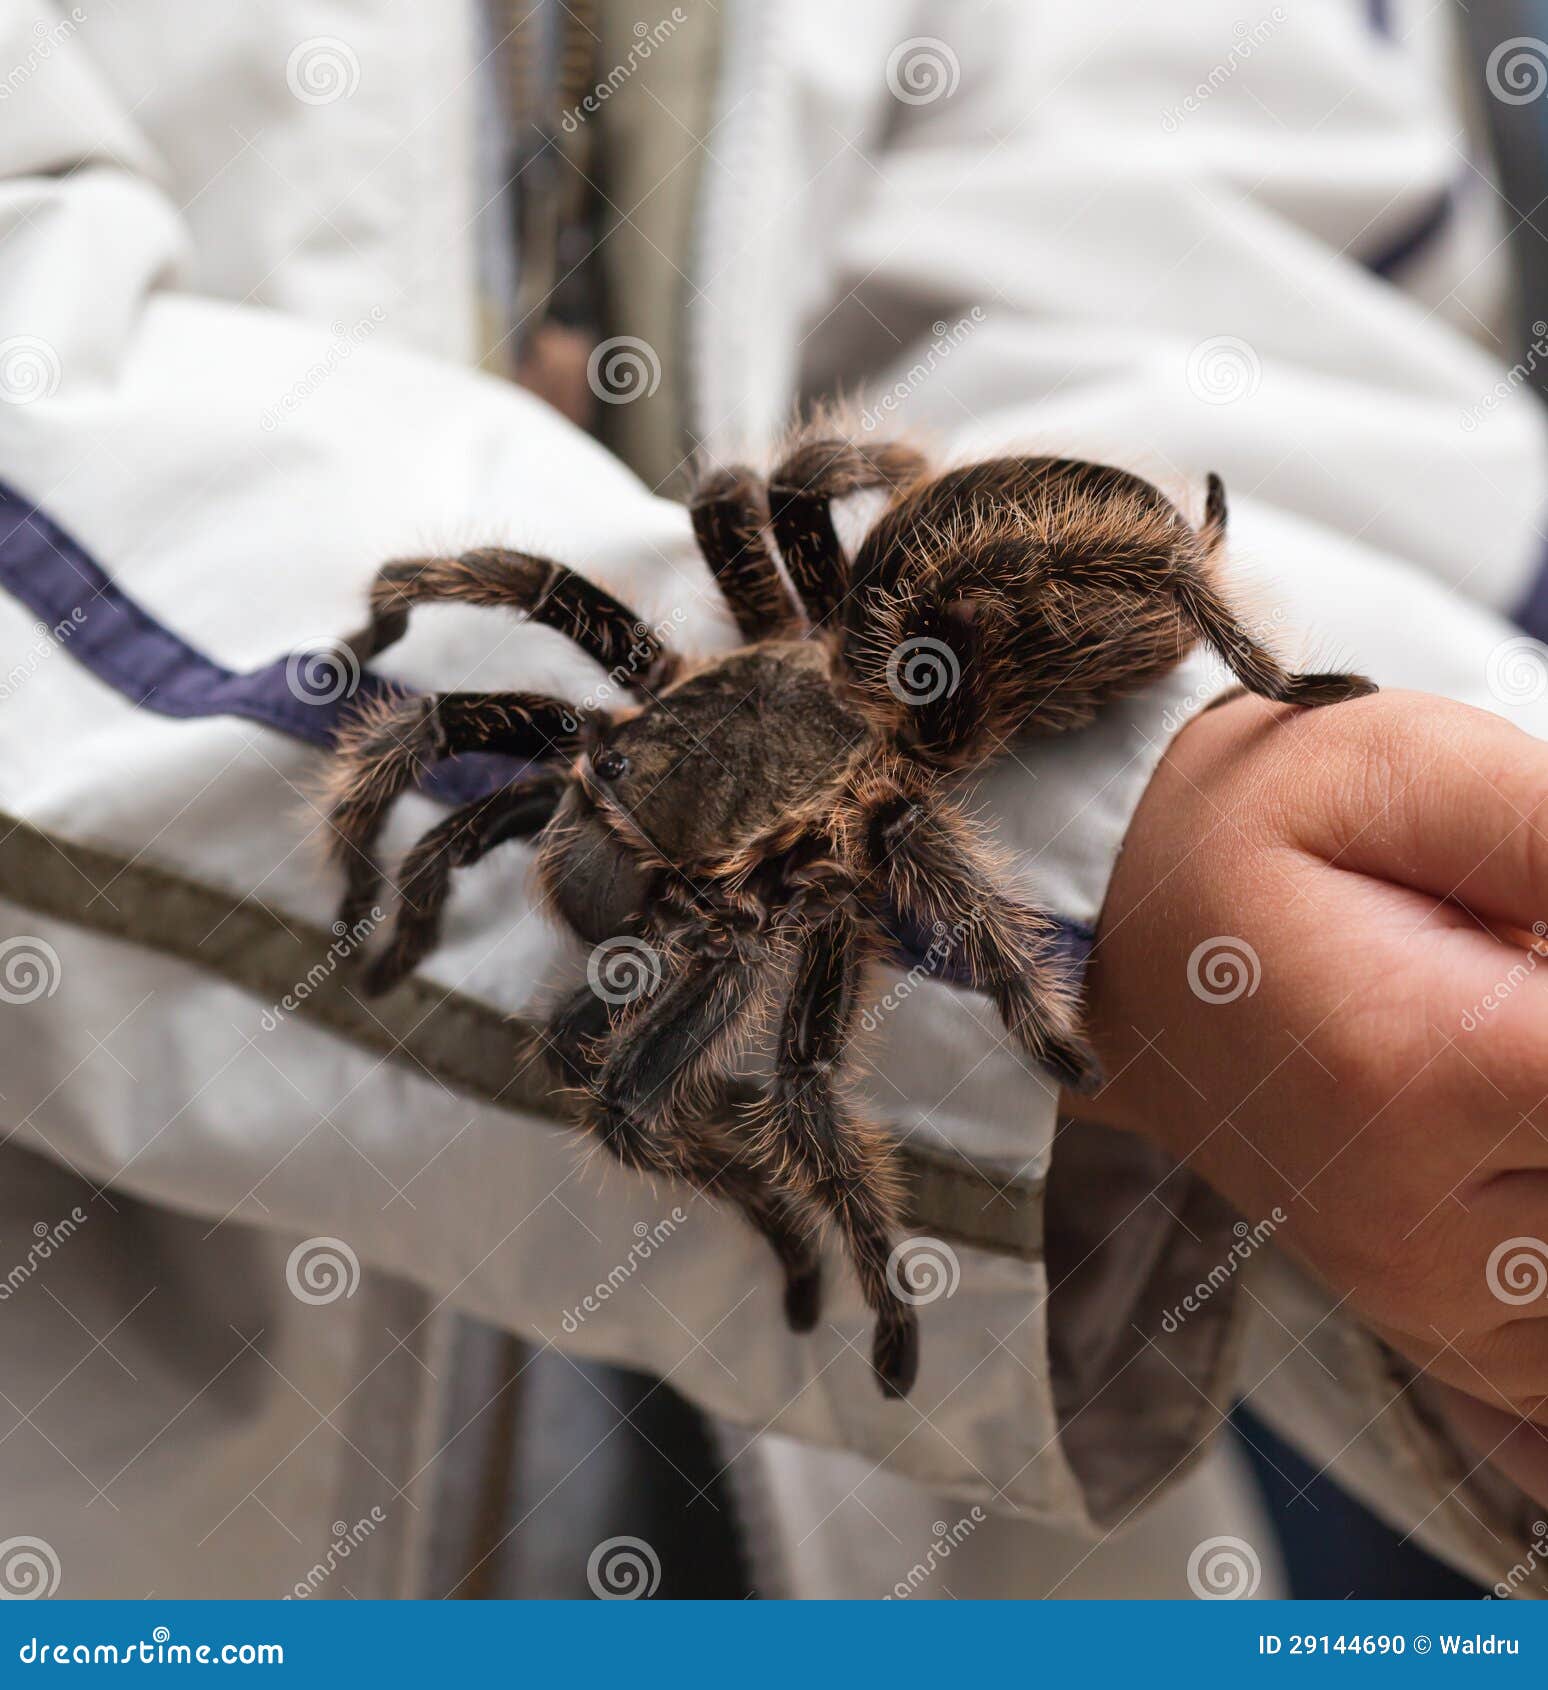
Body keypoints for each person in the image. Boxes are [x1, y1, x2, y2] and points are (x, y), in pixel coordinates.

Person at [3, 0, 1548, 1598]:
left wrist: (1095, 969)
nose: (562, 795)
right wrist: (386, 865)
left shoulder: (836, 851)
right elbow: (631, 558)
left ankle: (854, 1262)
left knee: (730, 1077)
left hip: (1041, 620)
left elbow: (894, 1000)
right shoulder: (653, 709)